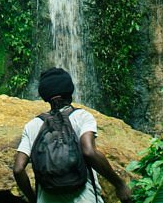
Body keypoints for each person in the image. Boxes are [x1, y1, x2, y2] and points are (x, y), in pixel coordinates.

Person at [13, 67, 133, 203]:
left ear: (45, 96)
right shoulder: (82, 117)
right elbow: (89, 151)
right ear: (70, 91)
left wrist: (32, 198)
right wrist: (120, 185)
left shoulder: (32, 126)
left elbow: (18, 169)